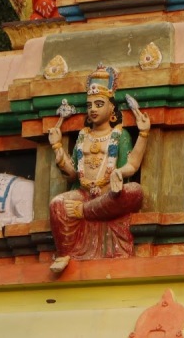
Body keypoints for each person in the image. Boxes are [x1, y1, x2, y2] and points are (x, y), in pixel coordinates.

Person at [46, 65, 151, 273]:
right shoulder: (83, 136)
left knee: (133, 192)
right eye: (90, 105)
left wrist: (143, 134)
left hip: (110, 194)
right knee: (57, 204)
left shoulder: (119, 135)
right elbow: (75, 173)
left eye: (99, 104)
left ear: (112, 109)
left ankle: (83, 212)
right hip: (85, 193)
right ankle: (64, 253)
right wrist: (57, 147)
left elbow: (133, 164)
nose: (93, 109)